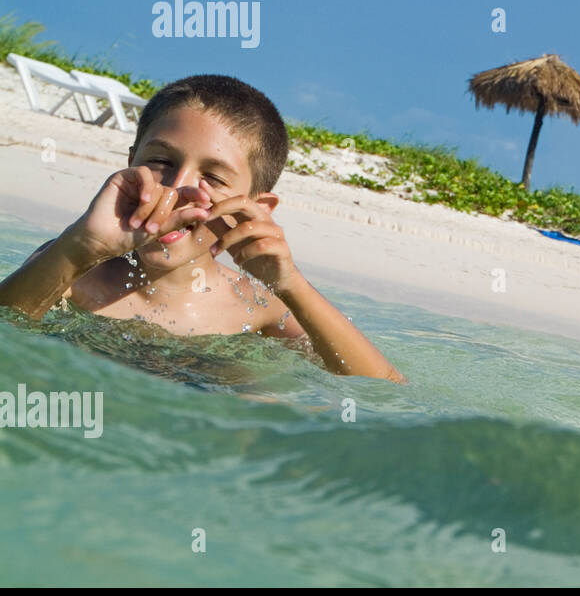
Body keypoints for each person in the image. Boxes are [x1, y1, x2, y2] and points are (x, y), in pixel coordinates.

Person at [0, 74, 407, 383]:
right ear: (131, 161)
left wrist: (293, 287)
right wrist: (81, 246)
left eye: (213, 177)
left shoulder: (258, 310)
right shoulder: (72, 268)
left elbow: (382, 391)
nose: (176, 190)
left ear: (256, 208)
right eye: (160, 161)